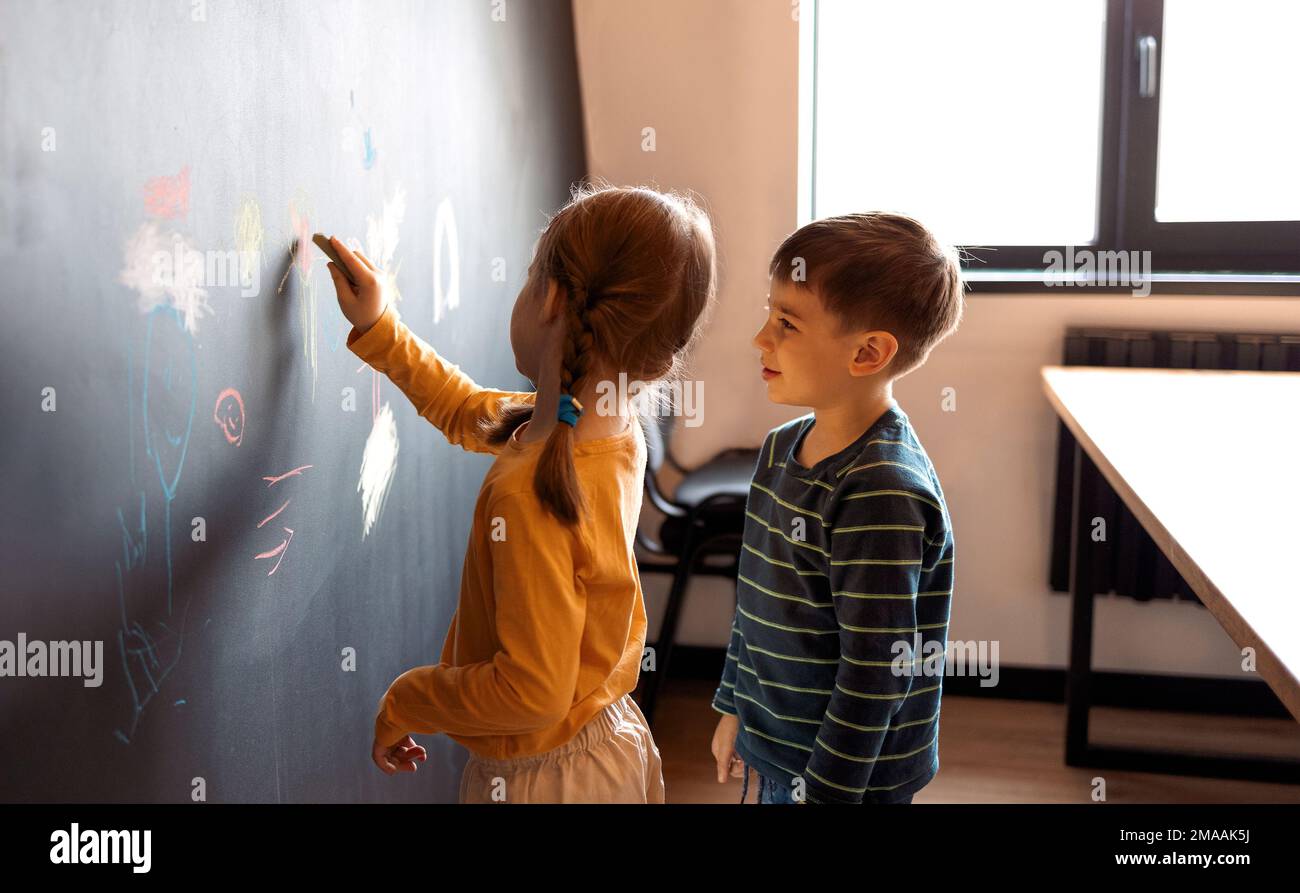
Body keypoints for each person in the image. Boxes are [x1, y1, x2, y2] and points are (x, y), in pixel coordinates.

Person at [328, 182, 717, 803]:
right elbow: (467, 410)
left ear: (552, 299)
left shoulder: (532, 490)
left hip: (546, 781)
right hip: (606, 742)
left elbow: (532, 691)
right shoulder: (609, 430)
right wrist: (381, 328)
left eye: (531, 273)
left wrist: (410, 699)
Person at [710, 212, 963, 804]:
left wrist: (823, 794)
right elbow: (754, 600)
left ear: (868, 352)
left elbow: (877, 674)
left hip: (843, 782)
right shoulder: (780, 449)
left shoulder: (881, 491)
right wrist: (733, 706)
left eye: (787, 324)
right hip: (774, 747)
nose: (760, 339)